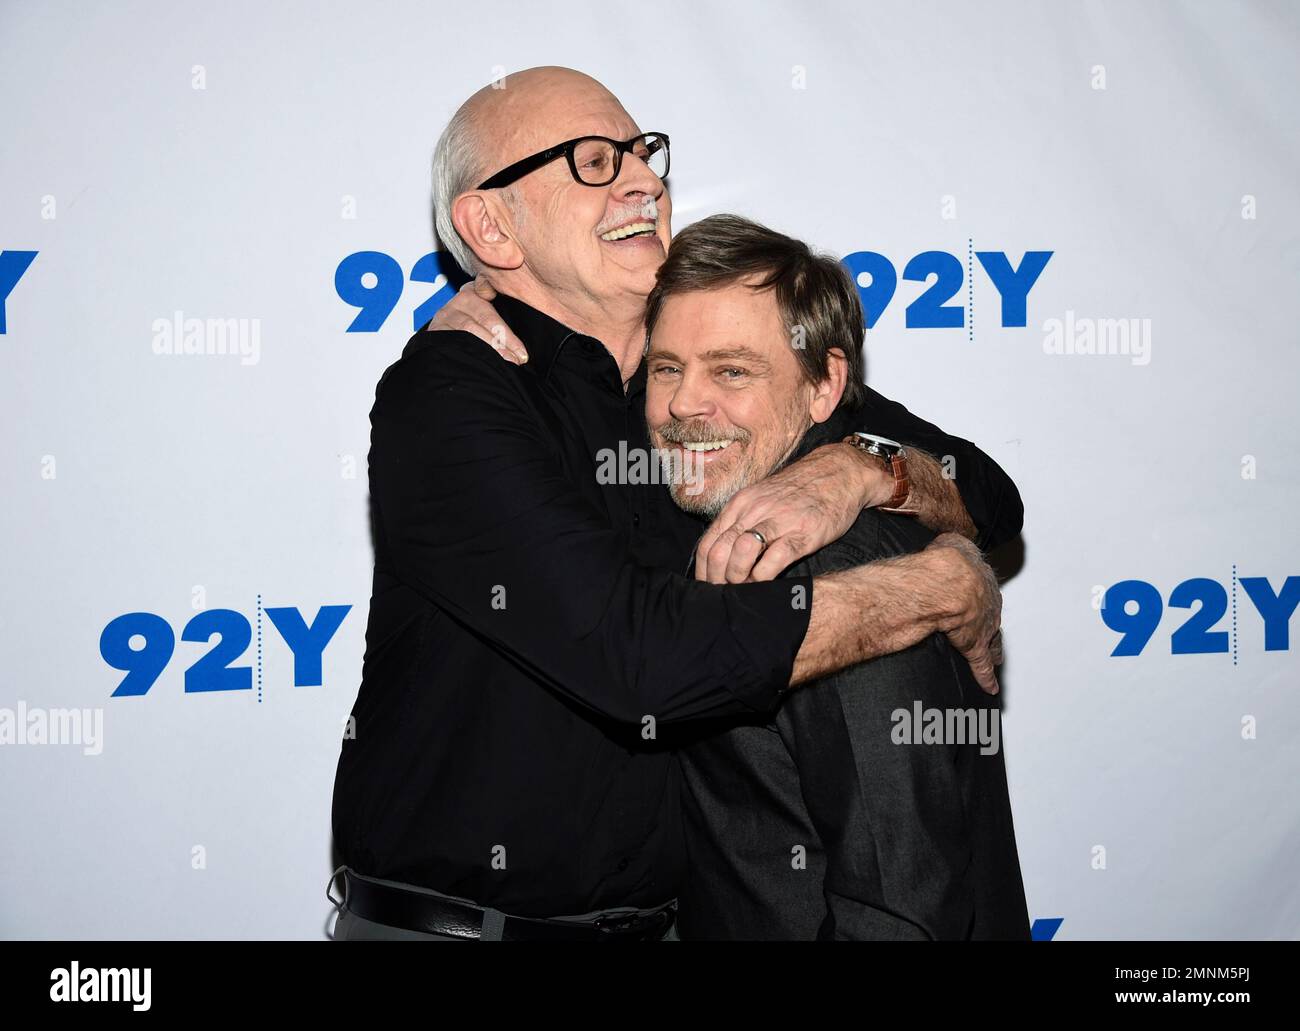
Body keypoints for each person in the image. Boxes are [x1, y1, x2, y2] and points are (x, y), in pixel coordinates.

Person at [329, 66, 1021, 941]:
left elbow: (988, 491)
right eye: (591, 159)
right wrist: (930, 589)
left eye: (641, 151)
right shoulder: (455, 392)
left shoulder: (691, 380)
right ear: (491, 225)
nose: (643, 179)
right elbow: (640, 657)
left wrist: (866, 469)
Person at [639, 213, 1030, 939]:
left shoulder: (841, 565)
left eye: (731, 370)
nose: (684, 403)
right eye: (666, 368)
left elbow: (899, 904)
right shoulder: (690, 481)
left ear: (825, 388)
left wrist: (865, 468)